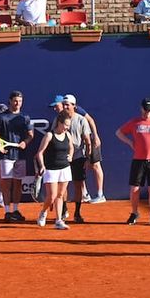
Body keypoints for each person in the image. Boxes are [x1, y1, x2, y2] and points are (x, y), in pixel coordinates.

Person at [115, 97, 150, 227]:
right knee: (135, 188)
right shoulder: (135, 122)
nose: (147, 114)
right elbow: (119, 133)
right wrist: (130, 143)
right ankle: (134, 213)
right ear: (141, 109)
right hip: (138, 160)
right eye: (145, 111)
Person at [0, 90, 33, 222]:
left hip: (20, 155)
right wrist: (0, 146)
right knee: (6, 183)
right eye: (15, 101)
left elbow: (30, 135)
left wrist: (25, 142)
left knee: (18, 183)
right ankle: (7, 212)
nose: (18, 103)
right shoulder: (1, 117)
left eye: (20, 101)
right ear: (10, 101)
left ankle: (16, 210)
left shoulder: (25, 117)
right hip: (6, 155)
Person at [35, 110, 74, 230]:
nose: (67, 127)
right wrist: (42, 165)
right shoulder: (49, 135)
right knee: (51, 196)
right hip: (51, 169)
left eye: (69, 125)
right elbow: (40, 153)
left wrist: (70, 156)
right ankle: (43, 212)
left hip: (65, 168)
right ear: (59, 123)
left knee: (60, 195)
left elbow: (71, 147)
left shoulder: (68, 135)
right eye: (65, 125)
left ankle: (58, 221)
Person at [64, 94, 105, 204]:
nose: (62, 107)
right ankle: (84, 194)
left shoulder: (79, 111)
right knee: (80, 169)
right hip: (77, 148)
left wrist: (95, 136)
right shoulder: (61, 117)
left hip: (90, 139)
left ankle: (100, 194)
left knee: (95, 165)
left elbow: (90, 120)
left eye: (65, 105)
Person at [61, 94, 92, 223]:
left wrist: (88, 158)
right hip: (63, 158)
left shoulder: (81, 120)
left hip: (79, 158)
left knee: (78, 185)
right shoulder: (59, 119)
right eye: (64, 104)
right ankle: (63, 210)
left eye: (68, 104)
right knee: (63, 186)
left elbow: (87, 141)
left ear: (74, 106)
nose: (65, 106)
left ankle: (77, 213)